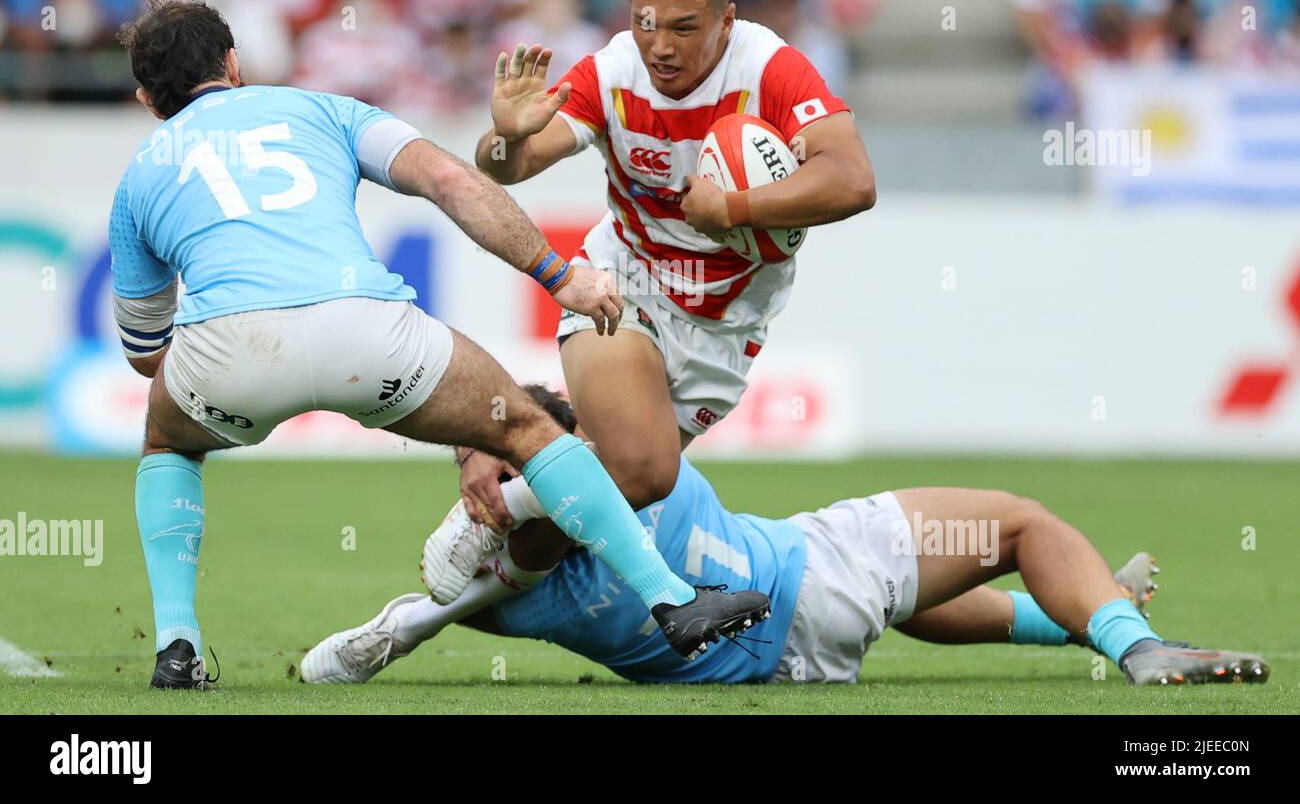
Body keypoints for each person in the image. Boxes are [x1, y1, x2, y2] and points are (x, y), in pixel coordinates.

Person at [111, 0, 771, 688]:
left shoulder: (137, 179)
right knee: (526, 427)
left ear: (148, 100)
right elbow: (452, 181)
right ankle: (672, 598)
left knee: (167, 442)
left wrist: (222, 382)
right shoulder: (324, 109)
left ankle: (177, 648)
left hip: (227, 353)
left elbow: (145, 351)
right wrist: (557, 274)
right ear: (233, 64)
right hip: (366, 331)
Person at [422, 0, 877, 605]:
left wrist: (736, 206)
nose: (661, 46)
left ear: (727, 19)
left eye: (684, 27)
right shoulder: (614, 73)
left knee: (610, 488)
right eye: (646, 24)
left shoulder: (771, 71)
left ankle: (490, 557)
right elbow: (512, 165)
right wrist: (503, 138)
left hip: (724, 321)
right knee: (645, 469)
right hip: (621, 281)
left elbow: (853, 181)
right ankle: (491, 514)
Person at [305, 387, 1270, 688]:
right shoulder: (627, 477)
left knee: (912, 603)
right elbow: (567, 472)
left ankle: (1084, 612)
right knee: (1020, 524)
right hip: (813, 570)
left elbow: (464, 577)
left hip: (784, 662)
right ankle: (1132, 645)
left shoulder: (510, 613)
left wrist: (412, 615)